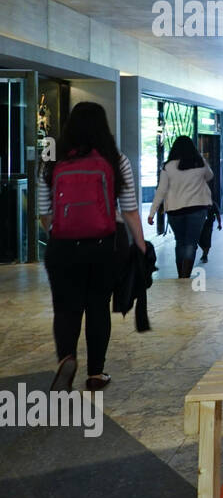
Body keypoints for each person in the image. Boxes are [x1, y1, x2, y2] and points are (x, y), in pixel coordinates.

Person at [38, 101, 149, 392]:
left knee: (65, 308)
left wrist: (60, 232)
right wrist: (140, 245)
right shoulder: (116, 159)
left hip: (62, 247)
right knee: (97, 306)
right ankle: (96, 374)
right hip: (105, 245)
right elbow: (129, 210)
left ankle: (67, 358)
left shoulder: (52, 160)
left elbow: (44, 212)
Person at [147, 135, 212, 278]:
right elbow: (209, 176)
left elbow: (161, 190)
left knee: (180, 242)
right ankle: (185, 275)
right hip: (197, 208)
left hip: (175, 210)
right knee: (191, 243)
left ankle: (181, 275)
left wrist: (152, 212)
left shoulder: (168, 166)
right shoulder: (200, 162)